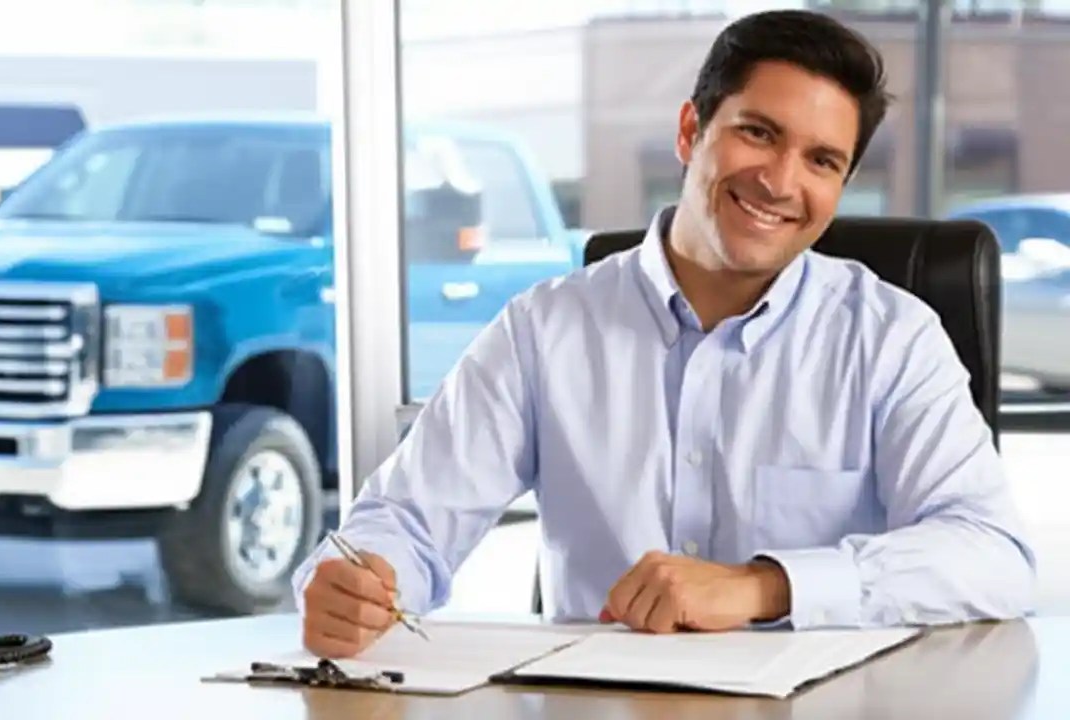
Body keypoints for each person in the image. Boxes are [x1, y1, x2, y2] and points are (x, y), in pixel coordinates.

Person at [292, 9, 1037, 659]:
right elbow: (404, 525)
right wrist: (356, 581)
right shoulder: (545, 329)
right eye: (757, 132)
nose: (780, 181)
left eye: (821, 160)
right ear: (691, 131)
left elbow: (992, 555)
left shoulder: (890, 337)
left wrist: (765, 585)